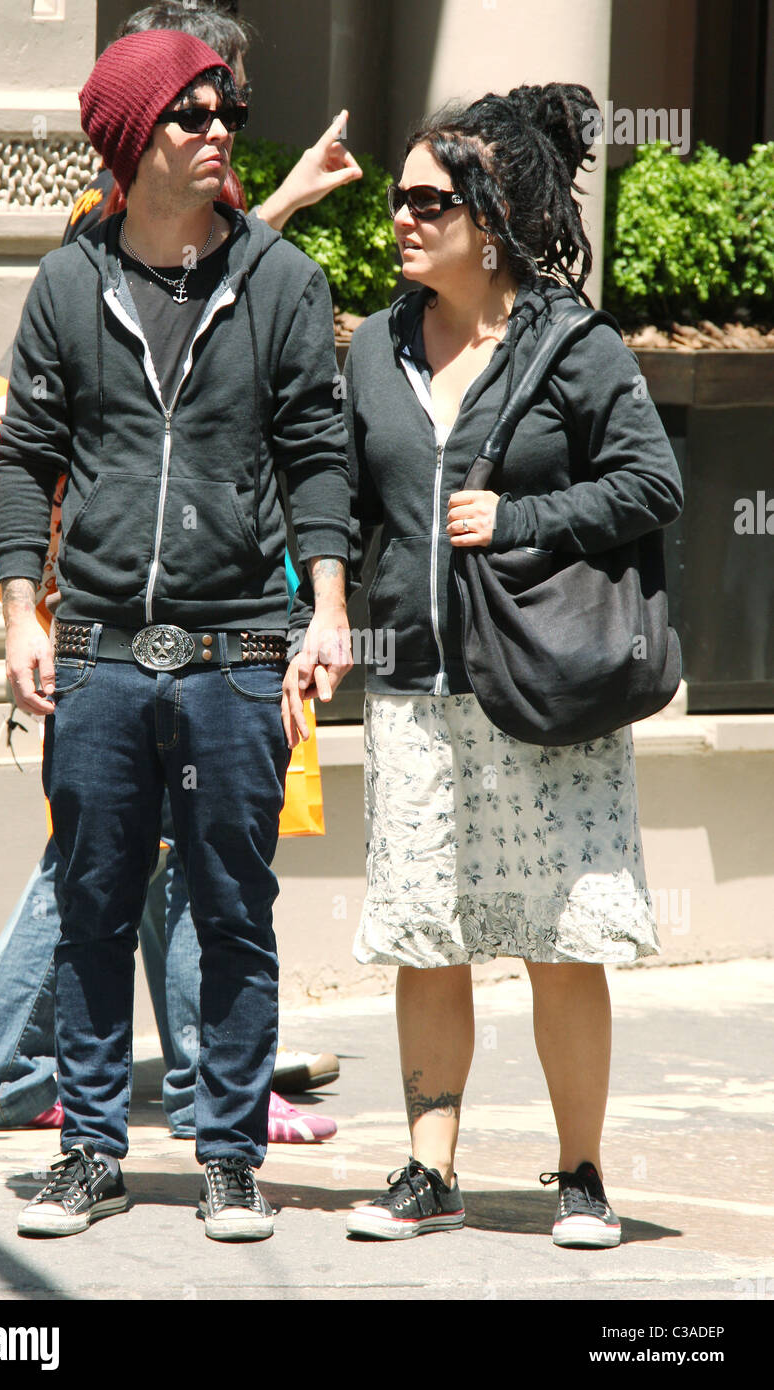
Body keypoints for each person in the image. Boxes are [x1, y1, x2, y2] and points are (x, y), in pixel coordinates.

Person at [0, 0, 353, 1147]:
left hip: (233, 644)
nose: (221, 124)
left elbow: (314, 451)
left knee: (222, 895)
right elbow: (27, 456)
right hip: (100, 647)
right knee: (93, 885)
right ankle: (72, 1120)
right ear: (136, 134)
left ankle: (221, 1135)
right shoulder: (72, 280)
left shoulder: (278, 280)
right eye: (194, 107)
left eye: (230, 104)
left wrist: (323, 608)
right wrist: (24, 612)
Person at [330, 84, 683, 1246]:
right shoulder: (374, 350)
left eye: (428, 200)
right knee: (425, 930)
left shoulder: (568, 343)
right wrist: (320, 610)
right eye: (396, 198)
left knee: (558, 934)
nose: (401, 218)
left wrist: (522, 518)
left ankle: (579, 1174)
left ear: (491, 216)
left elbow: (651, 484)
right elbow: (334, 496)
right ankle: (427, 1169)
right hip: (416, 686)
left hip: (540, 688)